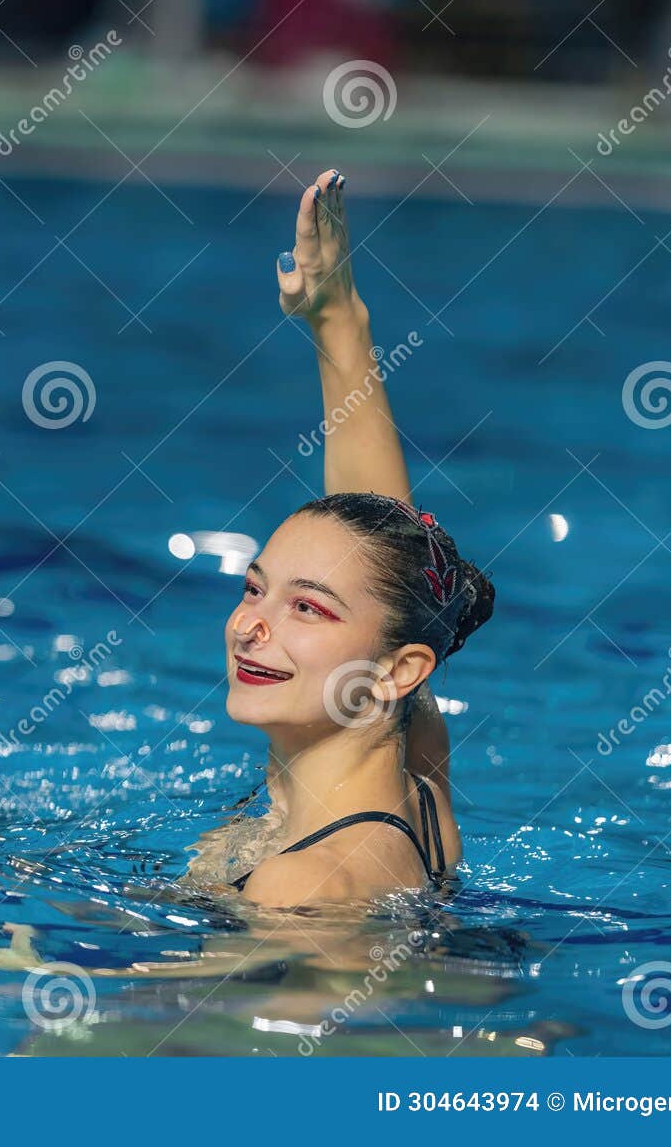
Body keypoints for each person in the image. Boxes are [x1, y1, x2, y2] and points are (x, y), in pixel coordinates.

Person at [189, 167, 496, 907]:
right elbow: (384, 549)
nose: (250, 627)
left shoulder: (303, 885)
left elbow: (195, 1024)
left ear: (399, 669)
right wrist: (338, 323)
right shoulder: (411, 768)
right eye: (255, 588)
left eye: (308, 609)